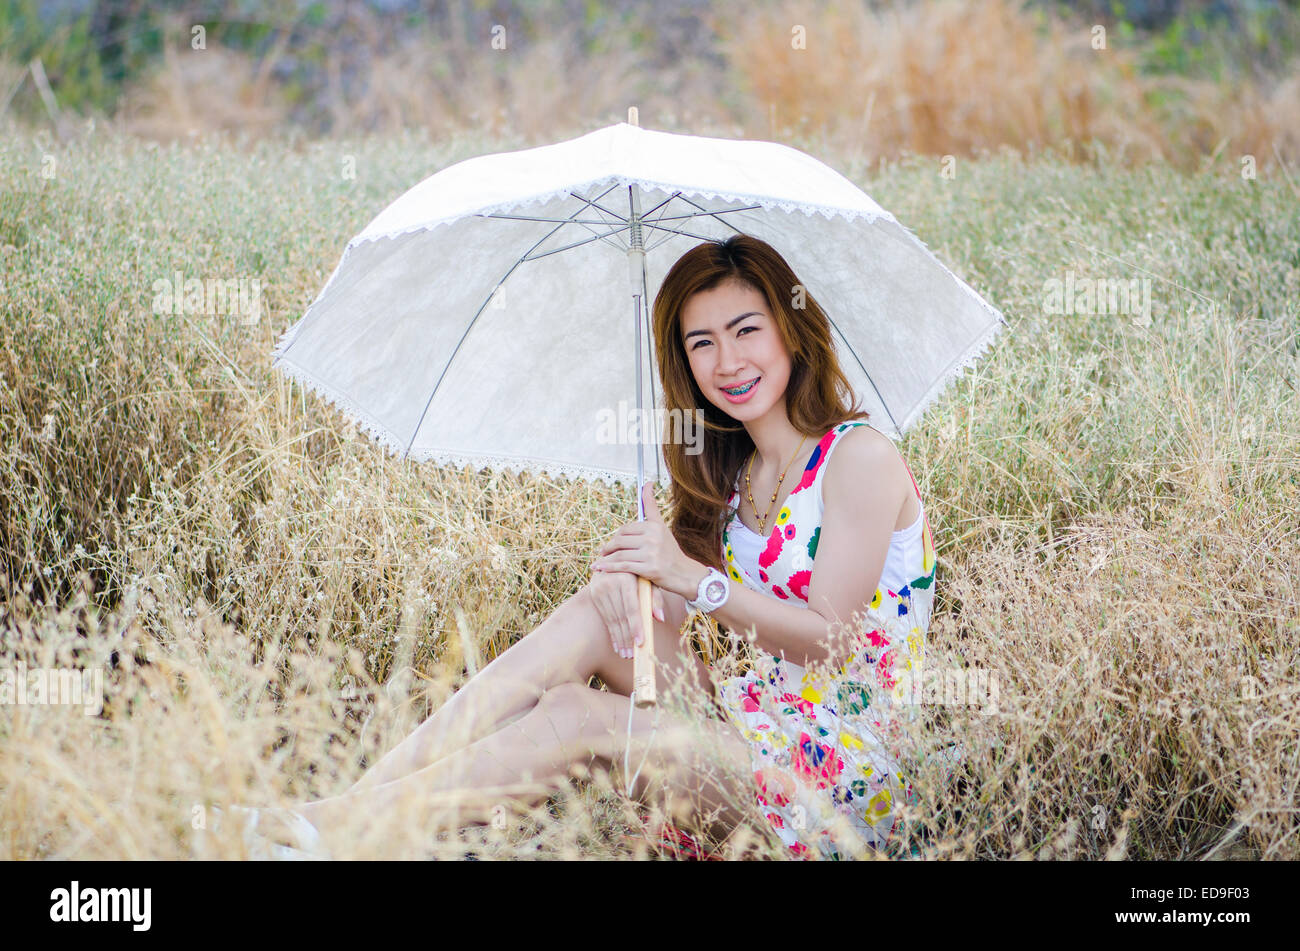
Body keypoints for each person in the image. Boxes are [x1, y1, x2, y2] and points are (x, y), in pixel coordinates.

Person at [242, 233, 937, 860]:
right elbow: (681, 622)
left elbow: (828, 642)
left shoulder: (859, 458)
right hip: (751, 724)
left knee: (577, 714)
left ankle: (326, 833)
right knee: (592, 618)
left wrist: (693, 579)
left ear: (791, 328)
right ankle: (324, 826)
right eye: (701, 343)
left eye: (746, 330)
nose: (727, 361)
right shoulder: (735, 476)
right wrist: (637, 584)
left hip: (840, 784)